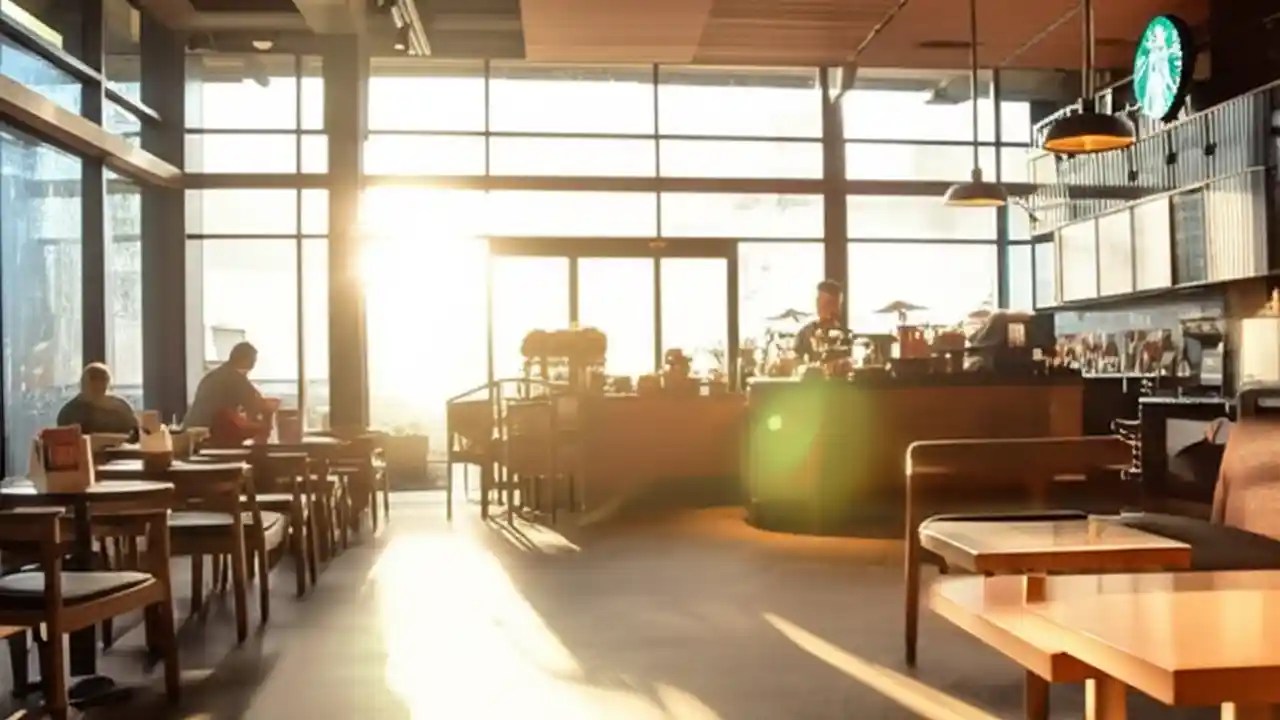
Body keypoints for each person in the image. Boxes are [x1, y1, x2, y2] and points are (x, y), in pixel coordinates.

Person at [186, 342, 268, 443]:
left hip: (191, 430)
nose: (254, 364)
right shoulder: (235, 378)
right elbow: (254, 404)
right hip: (209, 433)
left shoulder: (217, 374)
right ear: (245, 359)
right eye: (253, 360)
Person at [56, 363, 138, 436]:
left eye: (102, 381)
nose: (98, 385)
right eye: (93, 380)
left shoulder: (121, 407)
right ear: (82, 384)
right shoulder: (68, 413)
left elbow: (136, 434)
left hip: (120, 451)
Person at [794, 280, 851, 364]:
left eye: (832, 305)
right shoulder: (805, 334)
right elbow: (795, 362)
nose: (829, 310)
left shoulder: (847, 336)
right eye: (824, 304)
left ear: (839, 306)